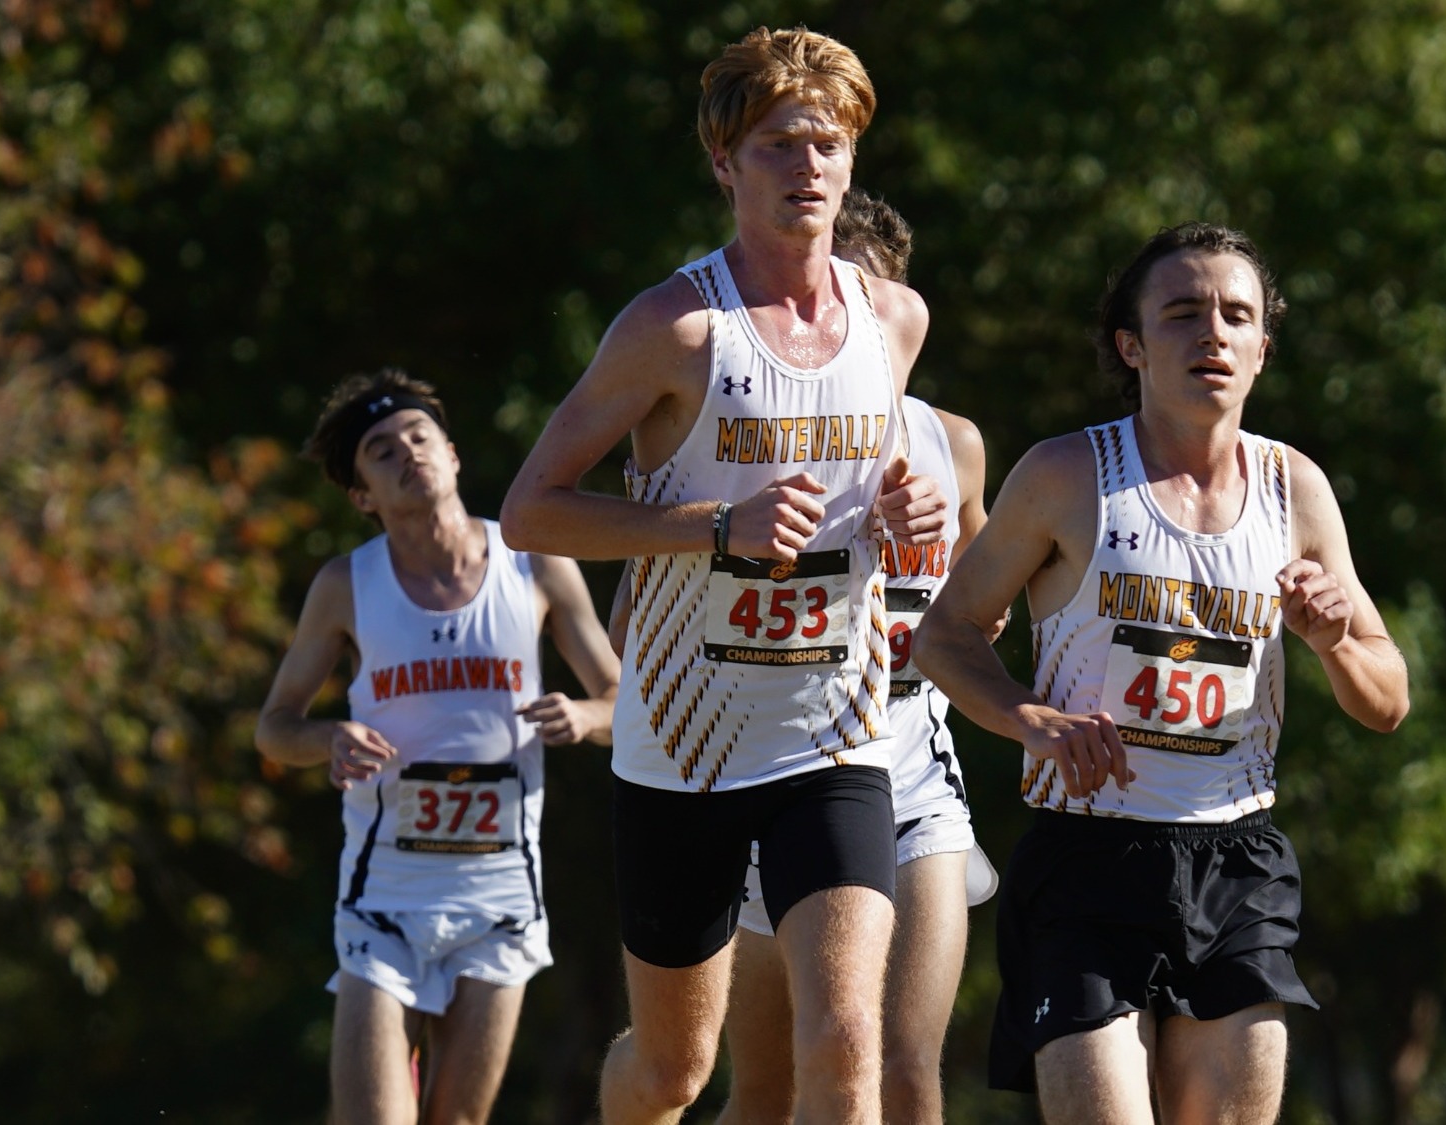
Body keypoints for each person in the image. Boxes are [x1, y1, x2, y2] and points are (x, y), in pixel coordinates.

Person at [498, 28, 942, 1125]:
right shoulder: (675, 328)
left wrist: (904, 504)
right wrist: (713, 527)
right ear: (723, 164)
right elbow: (527, 511)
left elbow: (867, 471)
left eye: (828, 144)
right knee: (672, 1075)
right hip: (683, 747)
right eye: (780, 145)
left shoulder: (893, 319)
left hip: (832, 731)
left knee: (844, 1045)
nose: (808, 168)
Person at [917, 222, 1410, 1124]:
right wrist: (1031, 719)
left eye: (1235, 315)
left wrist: (1334, 638)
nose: (1211, 333)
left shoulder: (1294, 490)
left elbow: (1387, 697)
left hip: (1238, 860)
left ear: (1264, 347)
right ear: (1131, 344)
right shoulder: (1066, 475)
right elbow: (944, 635)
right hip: (1087, 855)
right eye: (1182, 313)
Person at [255, 369, 620, 1125]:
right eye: (382, 452)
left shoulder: (536, 563)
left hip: (500, 896)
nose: (408, 453)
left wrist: (582, 715)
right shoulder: (345, 586)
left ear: (452, 455)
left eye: (420, 437)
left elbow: (626, 707)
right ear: (362, 496)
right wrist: (327, 736)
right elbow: (274, 727)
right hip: (385, 895)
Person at [710, 189, 999, 1125]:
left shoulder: (950, 441)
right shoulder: (747, 439)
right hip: (783, 776)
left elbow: (981, 602)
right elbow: (646, 619)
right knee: (764, 1093)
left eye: (866, 297)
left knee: (905, 1067)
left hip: (915, 779)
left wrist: (958, 583)